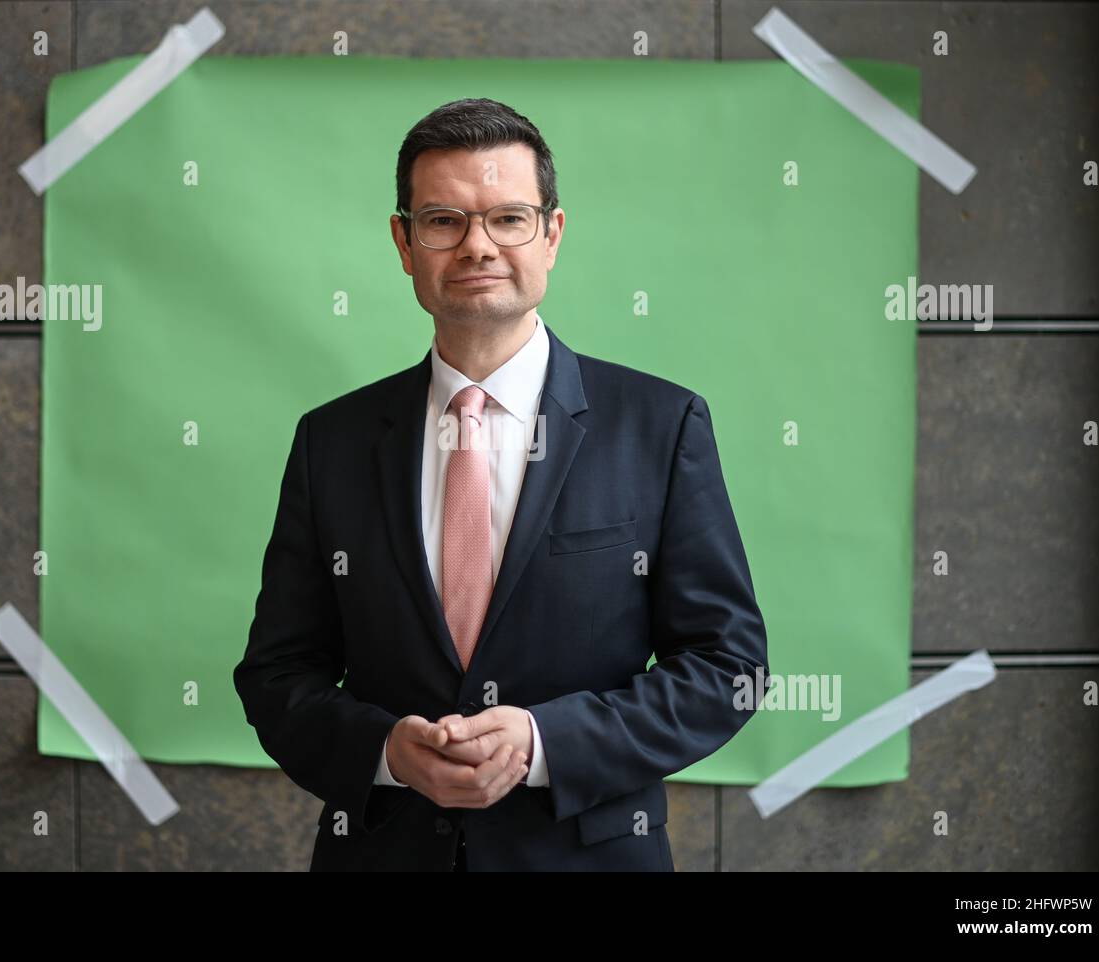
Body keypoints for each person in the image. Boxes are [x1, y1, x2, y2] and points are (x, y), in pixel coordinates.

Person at [233, 98, 769, 871]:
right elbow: (277, 675)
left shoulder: (660, 424)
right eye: (444, 220)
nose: (477, 246)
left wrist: (544, 743)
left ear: (551, 235)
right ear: (403, 241)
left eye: (508, 218)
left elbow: (729, 669)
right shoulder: (333, 441)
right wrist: (386, 751)